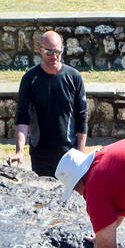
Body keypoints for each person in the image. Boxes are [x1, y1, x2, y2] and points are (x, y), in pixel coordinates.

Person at [7, 30, 87, 178]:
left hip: (69, 153)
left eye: (57, 52)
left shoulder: (74, 77)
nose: (54, 57)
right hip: (40, 154)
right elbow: (23, 118)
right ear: (40, 51)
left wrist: (80, 155)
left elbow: (82, 118)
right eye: (49, 52)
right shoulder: (30, 79)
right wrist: (20, 151)